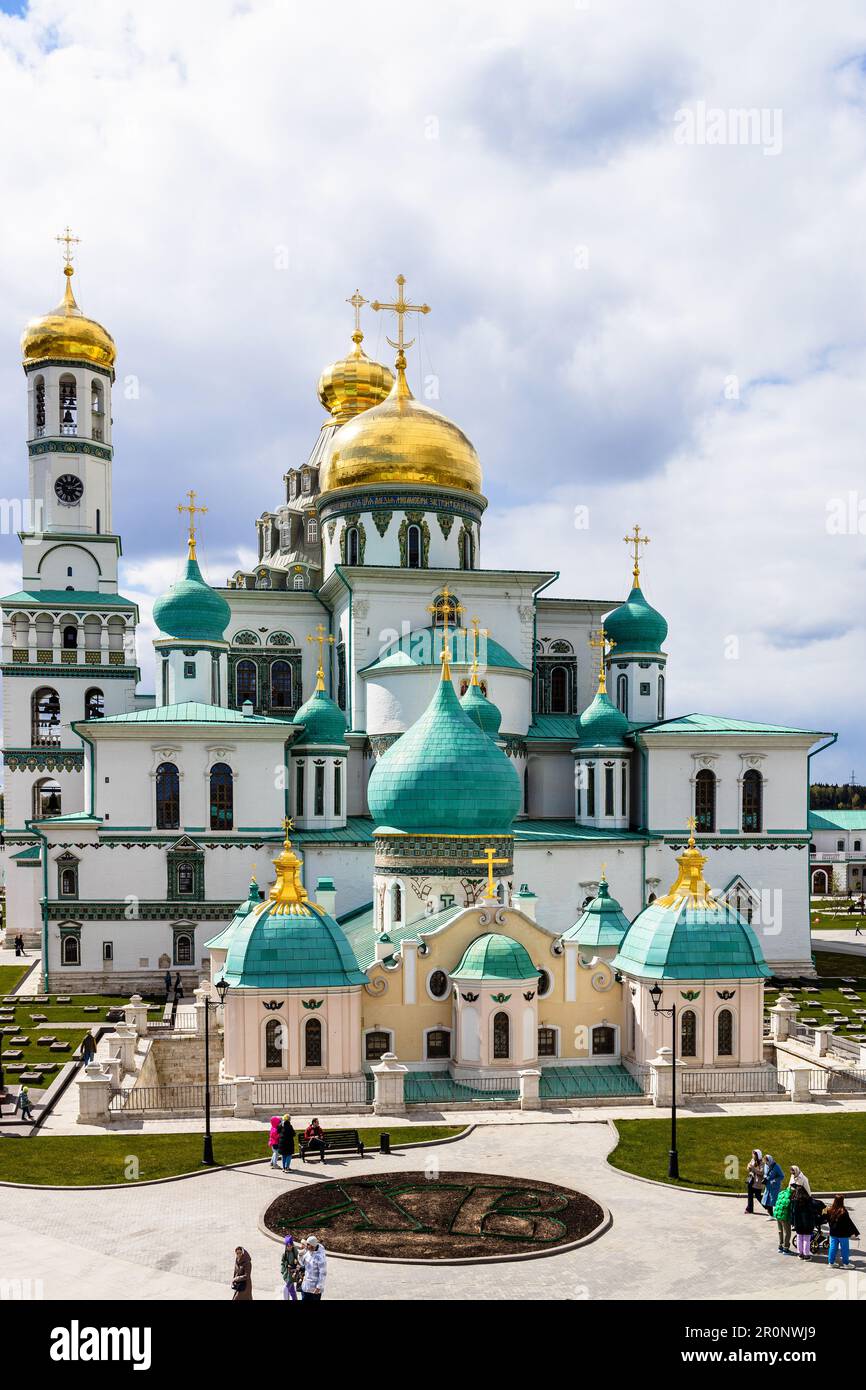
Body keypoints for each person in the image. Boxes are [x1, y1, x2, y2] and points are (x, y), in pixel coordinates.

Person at [823, 1195, 859, 1268]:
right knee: (844, 1249)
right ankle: (846, 1263)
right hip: (843, 1234)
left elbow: (824, 1217)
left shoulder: (829, 1210)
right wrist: (854, 1232)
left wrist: (824, 1210)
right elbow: (849, 1223)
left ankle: (831, 1262)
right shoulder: (843, 1211)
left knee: (833, 1248)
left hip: (833, 1233)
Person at [791, 1181, 816, 1260]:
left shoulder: (795, 1201)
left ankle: (800, 1254)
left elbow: (793, 1212)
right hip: (807, 1223)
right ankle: (806, 1255)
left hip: (798, 1223)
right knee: (806, 1239)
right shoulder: (808, 1200)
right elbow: (812, 1211)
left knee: (799, 1237)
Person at [299, 1235, 327, 1300]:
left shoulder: (320, 1257)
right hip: (306, 1287)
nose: (306, 1246)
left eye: (308, 1244)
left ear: (313, 1246)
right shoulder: (308, 1252)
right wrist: (300, 1255)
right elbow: (302, 1263)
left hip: (314, 1290)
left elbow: (323, 1273)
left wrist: (318, 1287)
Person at [772, 1184, 794, 1254]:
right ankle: (786, 1248)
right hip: (785, 1216)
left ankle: (780, 1246)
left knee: (780, 1231)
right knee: (787, 1232)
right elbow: (791, 1207)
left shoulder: (782, 1193)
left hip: (778, 1214)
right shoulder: (790, 1196)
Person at [745, 1148, 764, 1214]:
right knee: (750, 1195)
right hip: (751, 1179)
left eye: (754, 1154)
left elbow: (761, 1172)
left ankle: (768, 1207)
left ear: (758, 1155)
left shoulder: (762, 1163)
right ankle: (749, 1209)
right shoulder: (752, 1160)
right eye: (753, 1154)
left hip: (757, 1182)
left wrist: (753, 1168)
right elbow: (748, 1165)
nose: (753, 1156)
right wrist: (749, 1167)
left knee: (758, 1195)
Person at [281, 1235, 299, 1300]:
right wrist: (283, 1271)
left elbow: (300, 1263)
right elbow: (282, 1263)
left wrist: (296, 1262)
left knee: (286, 1289)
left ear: (292, 1245)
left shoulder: (295, 1253)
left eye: (290, 1246)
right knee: (291, 1290)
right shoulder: (284, 1254)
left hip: (293, 1274)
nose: (289, 1247)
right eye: (287, 1246)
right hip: (287, 1274)